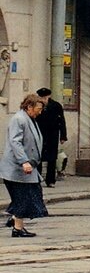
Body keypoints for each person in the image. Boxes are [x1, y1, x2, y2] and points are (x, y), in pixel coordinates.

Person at [2, 94, 48, 237]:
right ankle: (17, 228)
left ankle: (15, 219)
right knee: (23, 197)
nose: (40, 112)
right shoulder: (19, 119)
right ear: (29, 107)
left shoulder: (28, 119)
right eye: (38, 109)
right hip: (18, 168)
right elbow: (15, 142)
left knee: (30, 195)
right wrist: (24, 161)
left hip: (26, 167)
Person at [34, 88, 66, 187]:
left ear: (49, 96)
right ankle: (37, 179)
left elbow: (62, 121)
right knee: (39, 156)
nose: (43, 99)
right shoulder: (37, 106)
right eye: (41, 97)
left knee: (52, 158)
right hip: (40, 133)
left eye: (45, 97)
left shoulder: (56, 106)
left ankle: (51, 180)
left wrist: (63, 136)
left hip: (53, 134)